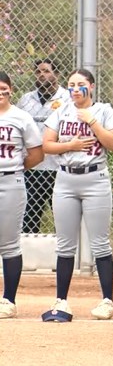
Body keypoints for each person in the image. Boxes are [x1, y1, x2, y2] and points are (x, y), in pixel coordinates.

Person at [41, 69, 113, 321]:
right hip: (65, 179)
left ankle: (107, 300)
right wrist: (70, 146)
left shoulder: (103, 110)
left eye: (81, 85)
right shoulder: (62, 111)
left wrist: (92, 122)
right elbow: (47, 145)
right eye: (71, 85)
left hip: (95, 178)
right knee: (65, 243)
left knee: (99, 242)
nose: (75, 89)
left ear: (92, 86)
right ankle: (62, 300)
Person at [0, 72, 45, 319]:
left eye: (4, 88)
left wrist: (15, 167)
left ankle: (8, 300)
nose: (0, 92)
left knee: (8, 242)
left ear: (11, 90)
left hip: (11, 181)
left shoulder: (21, 117)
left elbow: (37, 154)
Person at [18, 58, 69, 234]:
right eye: (38, 71)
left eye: (46, 71)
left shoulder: (67, 98)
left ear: (56, 74)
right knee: (30, 215)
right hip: (34, 167)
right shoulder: (26, 100)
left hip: (58, 166)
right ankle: (30, 256)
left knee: (61, 215)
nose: (42, 75)